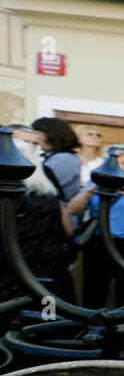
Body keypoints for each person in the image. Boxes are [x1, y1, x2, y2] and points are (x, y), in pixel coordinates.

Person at [66, 144, 124, 308]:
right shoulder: (94, 184)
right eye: (116, 164)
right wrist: (92, 188)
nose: (120, 168)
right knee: (93, 290)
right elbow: (72, 209)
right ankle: (92, 328)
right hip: (99, 243)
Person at [0, 126, 75, 303]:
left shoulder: (45, 172)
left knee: (47, 311)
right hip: (10, 257)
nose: (31, 148)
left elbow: (61, 206)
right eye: (24, 142)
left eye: (35, 144)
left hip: (46, 257)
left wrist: (68, 239)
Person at [29, 117, 83, 204]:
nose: (35, 138)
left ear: (50, 134)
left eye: (37, 134)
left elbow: (42, 185)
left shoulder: (65, 159)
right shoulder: (54, 156)